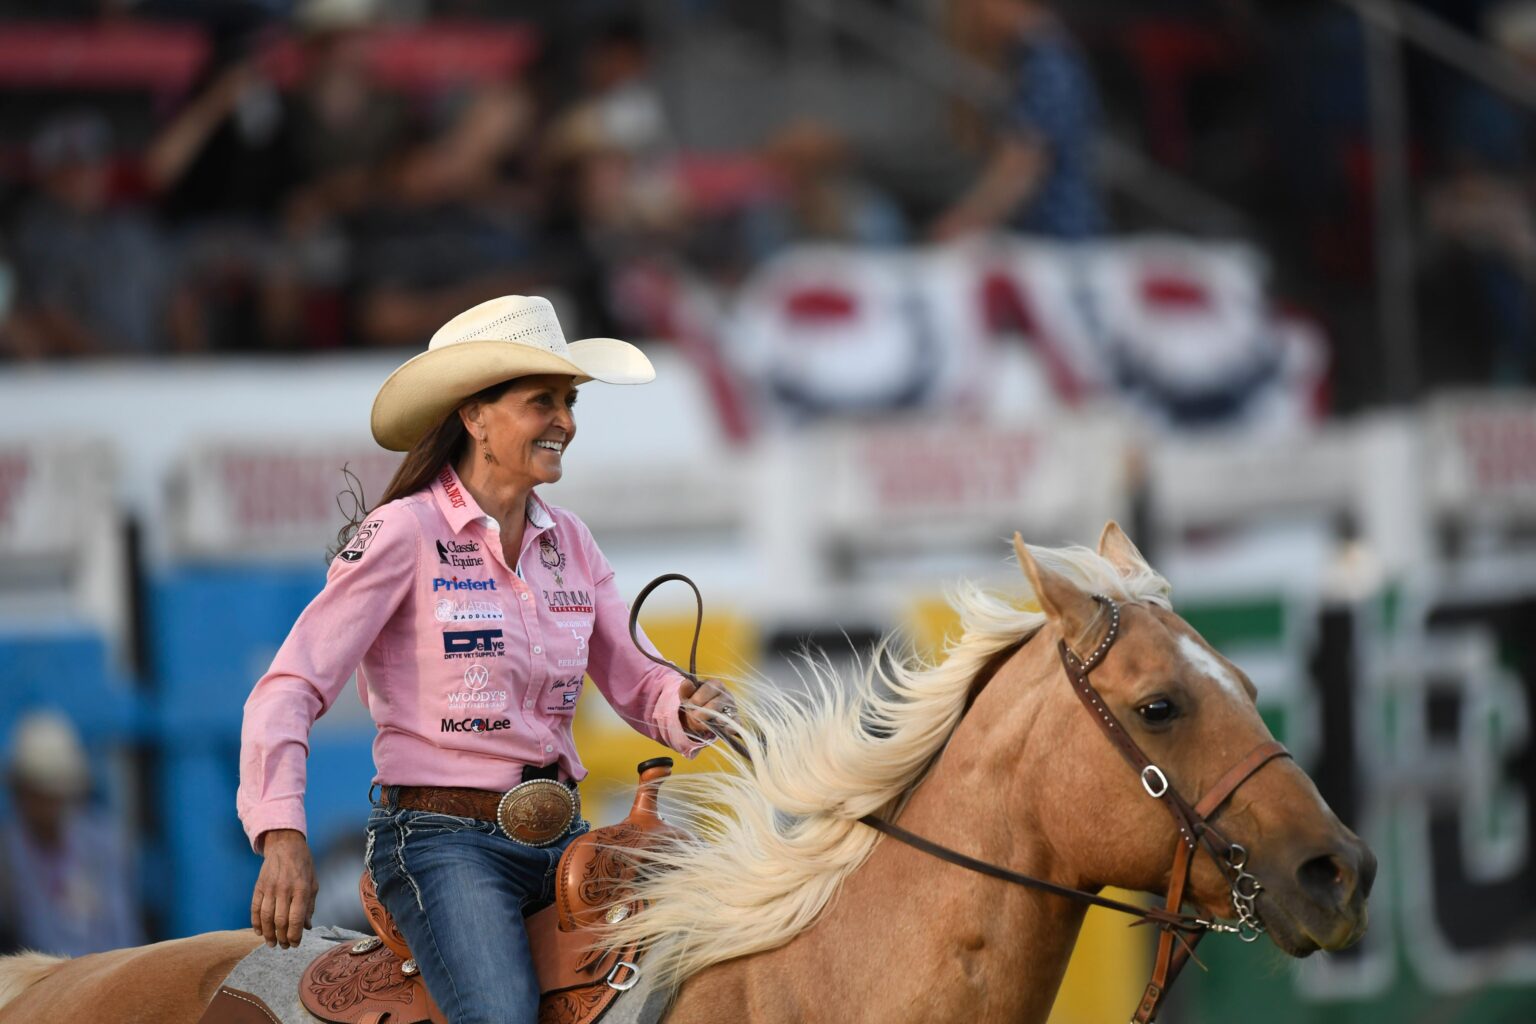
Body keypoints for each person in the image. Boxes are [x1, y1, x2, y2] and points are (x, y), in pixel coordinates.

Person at [237, 294, 735, 1024]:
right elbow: (289, 686)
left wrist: (684, 704)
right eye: (543, 402)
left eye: (569, 401)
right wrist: (281, 834)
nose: (566, 420)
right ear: (475, 416)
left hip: (565, 839)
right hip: (440, 843)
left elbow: (637, 677)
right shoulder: (400, 533)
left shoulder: (572, 541)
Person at [931, 0, 1105, 241]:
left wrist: (966, 220)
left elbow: (1023, 162)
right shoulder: (1028, 57)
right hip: (1043, 240)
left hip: (1059, 242)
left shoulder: (1047, 60)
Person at [0, 710, 143, 956]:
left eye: (55, 793)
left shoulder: (102, 843)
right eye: (37, 792)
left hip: (107, 974)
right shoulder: (7, 857)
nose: (47, 805)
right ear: (19, 791)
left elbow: (124, 930)